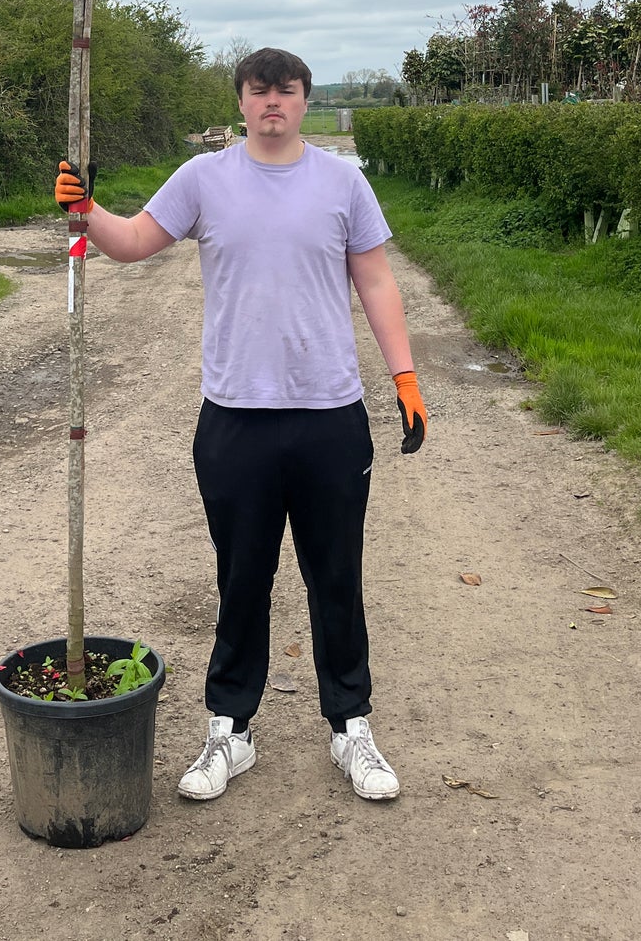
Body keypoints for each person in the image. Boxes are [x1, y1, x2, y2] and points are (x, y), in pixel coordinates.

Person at [54, 46, 427, 803]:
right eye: (259, 92)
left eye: (286, 92)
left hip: (329, 416)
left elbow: (378, 279)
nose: (273, 104)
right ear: (241, 101)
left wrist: (406, 377)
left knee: (336, 577)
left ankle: (351, 726)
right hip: (235, 420)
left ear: (304, 101)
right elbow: (130, 243)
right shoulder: (205, 180)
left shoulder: (343, 182)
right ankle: (231, 728)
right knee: (241, 579)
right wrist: (84, 211)